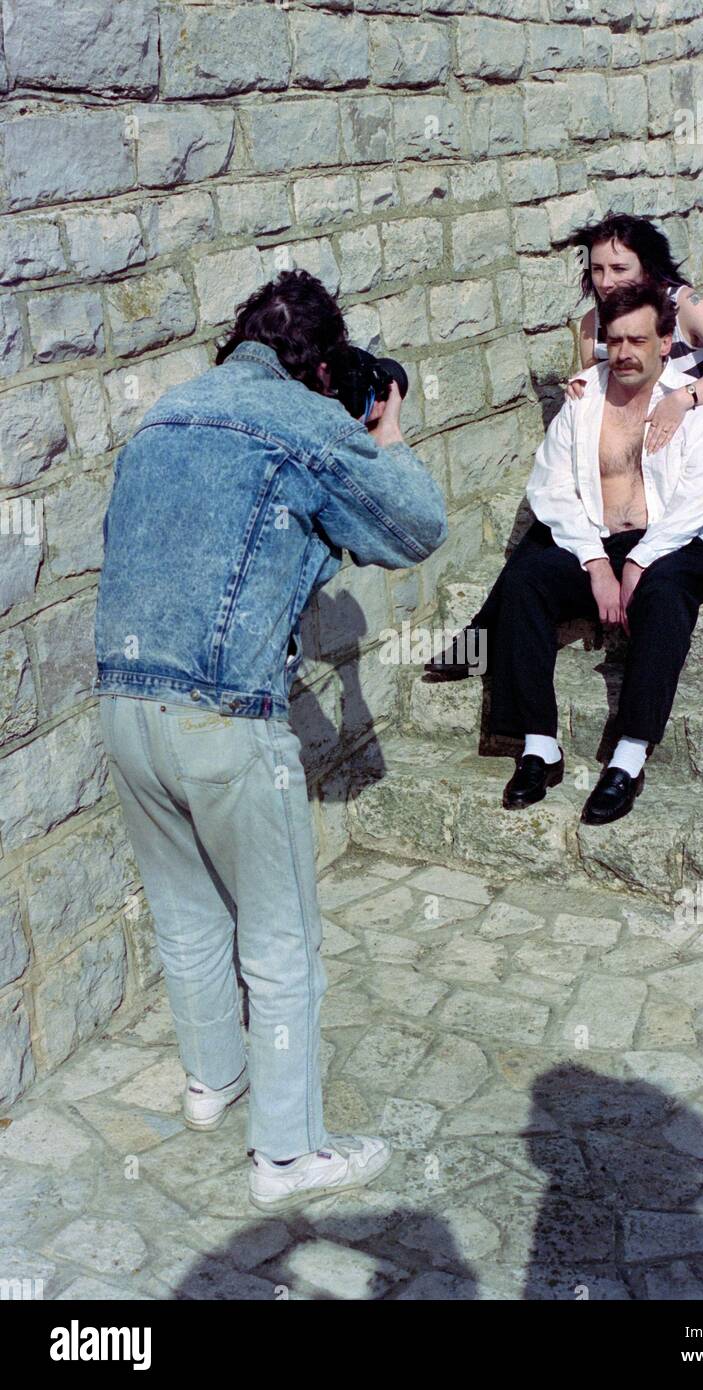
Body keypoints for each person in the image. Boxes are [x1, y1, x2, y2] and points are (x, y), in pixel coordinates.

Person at [92, 270, 447, 1212]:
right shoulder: (302, 421)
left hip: (125, 705)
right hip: (225, 718)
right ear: (322, 363)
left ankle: (214, 1084)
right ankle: (287, 1159)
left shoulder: (166, 415)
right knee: (281, 940)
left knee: (187, 912)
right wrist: (388, 433)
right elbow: (416, 526)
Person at [427, 281, 703, 825]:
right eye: (613, 340)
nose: (623, 353)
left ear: (665, 341)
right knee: (525, 581)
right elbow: (550, 486)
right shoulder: (584, 398)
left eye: (637, 340)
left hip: (667, 540)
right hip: (595, 536)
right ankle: (539, 746)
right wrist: (595, 562)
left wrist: (642, 559)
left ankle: (629, 756)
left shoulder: (696, 402)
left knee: (667, 600)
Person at [566, 210, 703, 715]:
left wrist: (684, 397)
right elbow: (596, 393)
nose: (607, 281)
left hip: (698, 446)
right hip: (634, 459)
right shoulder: (591, 325)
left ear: (647, 266)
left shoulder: (682, 304)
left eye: (620, 268)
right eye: (598, 270)